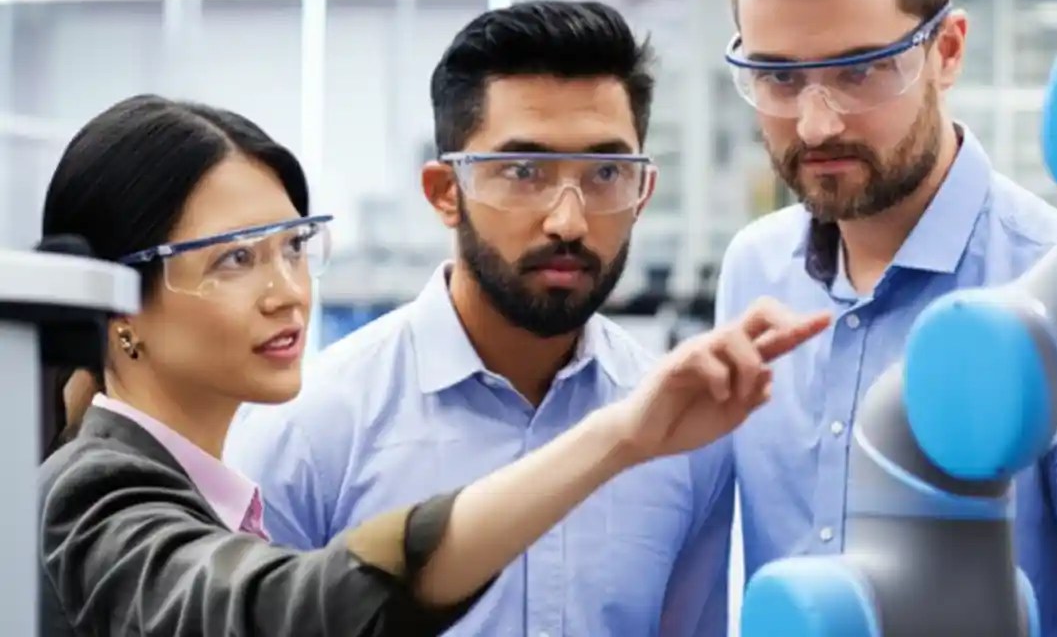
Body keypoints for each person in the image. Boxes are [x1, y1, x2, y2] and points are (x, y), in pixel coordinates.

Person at [38, 94, 830, 636]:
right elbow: (285, 610)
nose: (287, 293)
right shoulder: (88, 495)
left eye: (293, 247)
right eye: (234, 260)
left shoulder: (209, 491)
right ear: (119, 302)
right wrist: (617, 437)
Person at [715, 0, 1057, 635]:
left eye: (859, 70)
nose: (816, 125)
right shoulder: (754, 271)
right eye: (778, 78)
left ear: (946, 51)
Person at [224, 0, 739, 636]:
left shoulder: (682, 435)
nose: (569, 221)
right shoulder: (310, 430)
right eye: (524, 171)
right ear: (445, 192)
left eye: (607, 172)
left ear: (644, 192)